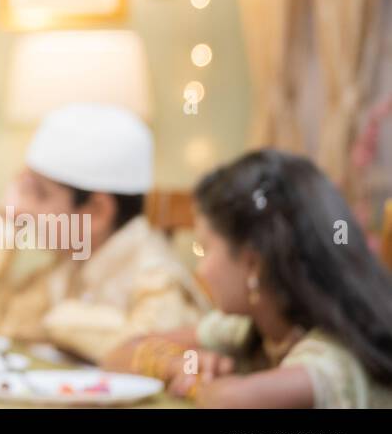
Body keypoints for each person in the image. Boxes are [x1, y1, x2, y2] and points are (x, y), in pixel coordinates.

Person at [104, 150, 392, 407]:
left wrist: (198, 381)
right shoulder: (247, 325)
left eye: (204, 250)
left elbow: (229, 400)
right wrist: (173, 363)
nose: (200, 271)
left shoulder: (335, 356)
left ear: (253, 263)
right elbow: (119, 354)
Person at [0, 103, 203, 363]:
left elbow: (151, 351)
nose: (25, 208)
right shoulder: (71, 265)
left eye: (40, 194)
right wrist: (6, 219)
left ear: (96, 211)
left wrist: (59, 322)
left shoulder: (158, 279)